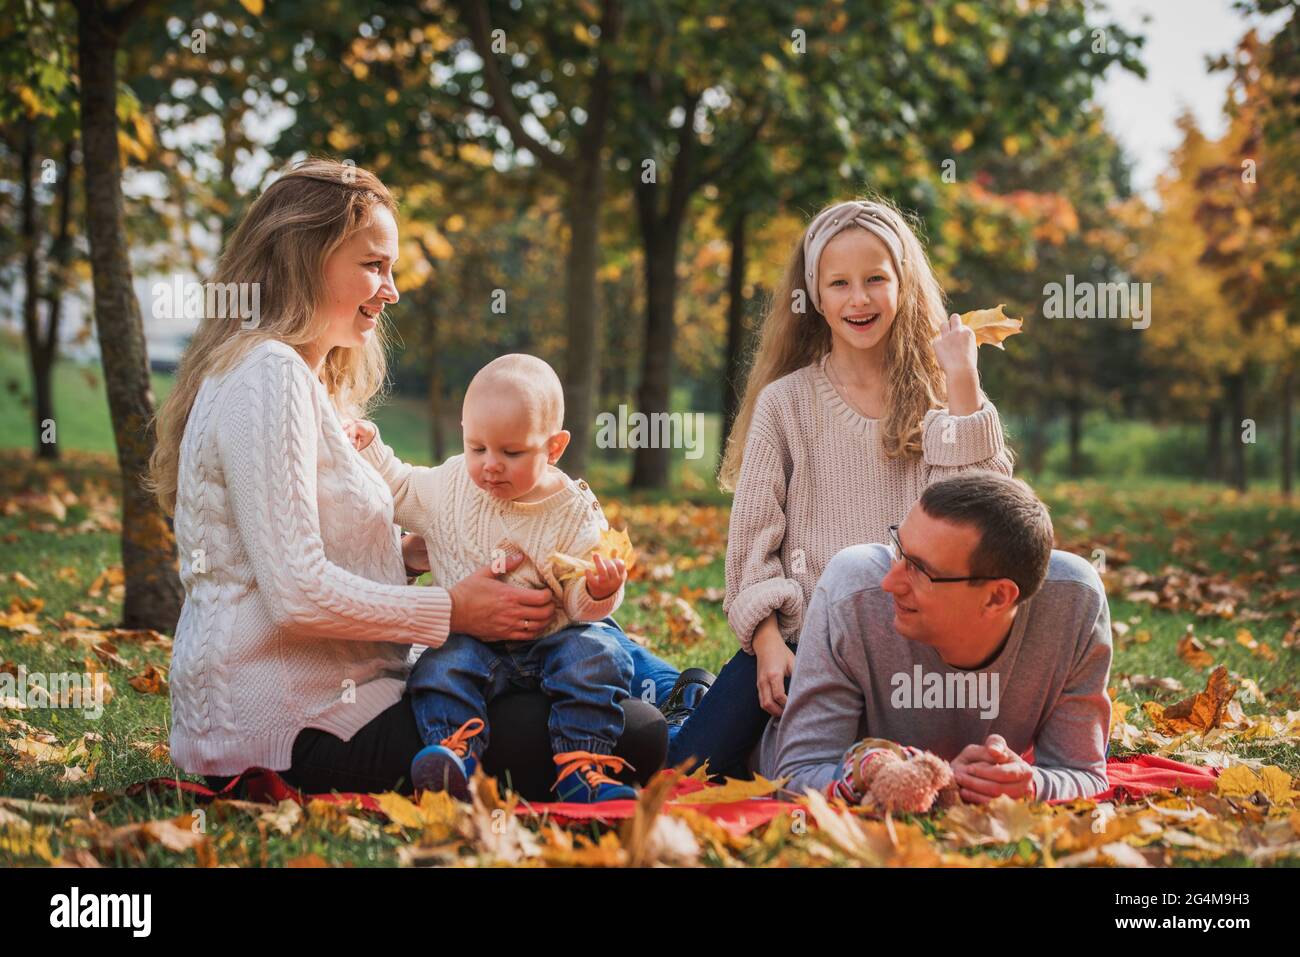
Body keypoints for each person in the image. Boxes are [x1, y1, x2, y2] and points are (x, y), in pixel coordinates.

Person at [147, 158, 664, 801]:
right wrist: (453, 610)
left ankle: (681, 688)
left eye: (390, 268)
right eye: (373, 265)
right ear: (306, 258)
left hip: (342, 699)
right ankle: (691, 701)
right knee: (637, 733)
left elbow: (295, 545)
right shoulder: (268, 377)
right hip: (289, 727)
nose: (390, 289)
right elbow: (295, 592)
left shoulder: (299, 381)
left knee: (606, 684)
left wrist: (420, 550)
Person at [668, 197, 1014, 778]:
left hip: (914, 647)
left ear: (902, 284)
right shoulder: (787, 404)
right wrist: (768, 641)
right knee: (687, 770)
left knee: (924, 768)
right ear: (815, 297)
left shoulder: (937, 399)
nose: (859, 298)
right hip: (805, 643)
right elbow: (754, 540)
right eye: (839, 283)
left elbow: (986, 521)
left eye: (876, 278)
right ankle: (686, 699)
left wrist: (963, 383)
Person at [349, 354, 639, 803]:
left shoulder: (573, 510)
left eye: (512, 452)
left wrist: (600, 591)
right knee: (439, 664)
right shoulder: (449, 487)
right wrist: (370, 448)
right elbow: (402, 488)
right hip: (473, 643)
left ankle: (582, 764)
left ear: (554, 448)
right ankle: (453, 753)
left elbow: (581, 601)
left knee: (599, 652)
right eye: (478, 448)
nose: (491, 465)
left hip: (551, 642)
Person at [767, 471, 1112, 803]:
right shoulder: (854, 592)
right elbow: (795, 775)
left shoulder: (1073, 603)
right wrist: (938, 781)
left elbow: (1084, 773)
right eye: (898, 549)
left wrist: (1031, 785)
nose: (890, 582)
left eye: (919, 568)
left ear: (997, 597)